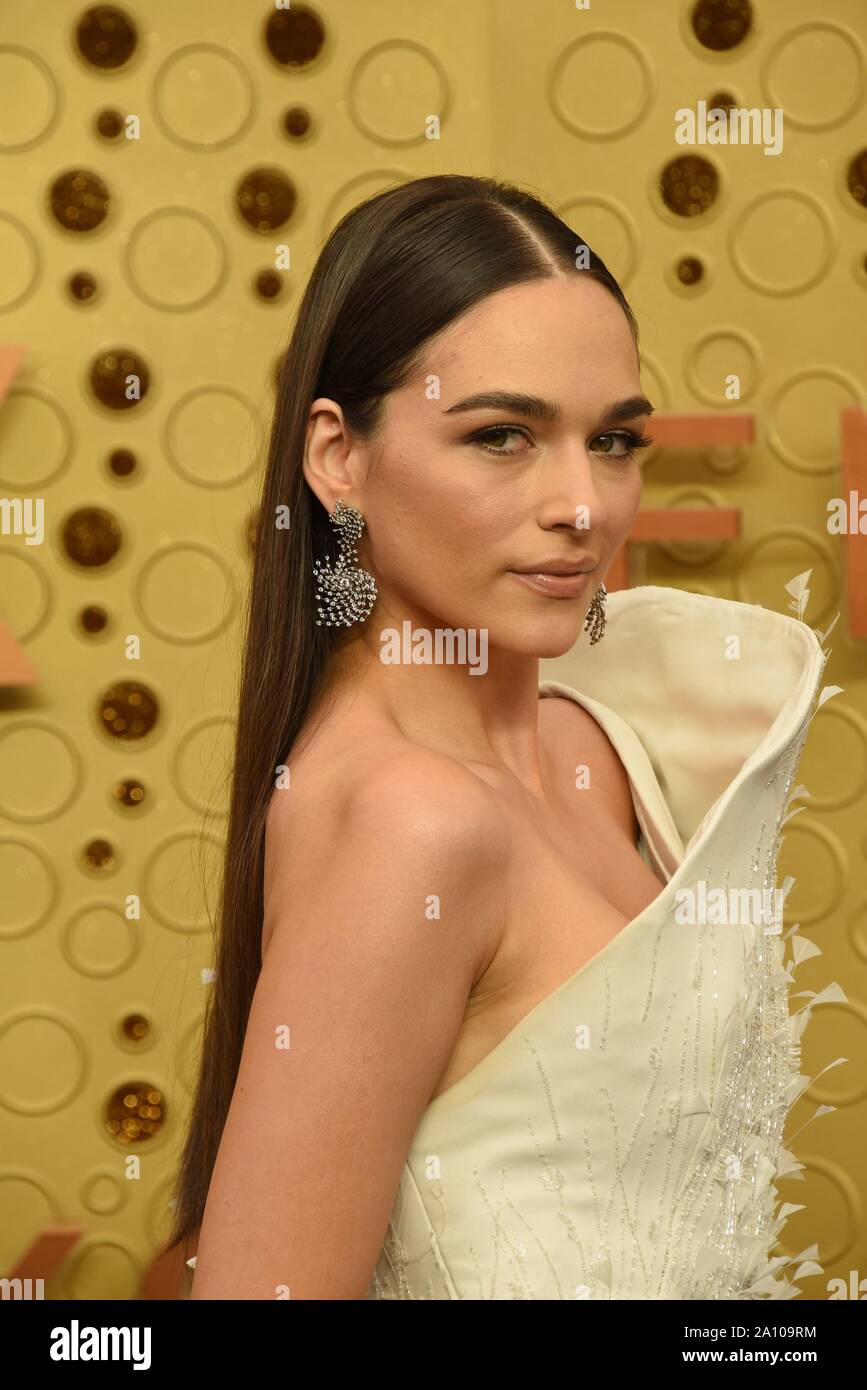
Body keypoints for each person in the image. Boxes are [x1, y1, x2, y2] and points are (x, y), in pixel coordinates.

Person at [171, 174, 846, 1299]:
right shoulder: (409, 820)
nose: (583, 503)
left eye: (615, 441)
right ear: (339, 458)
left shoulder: (594, 745)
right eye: (502, 436)